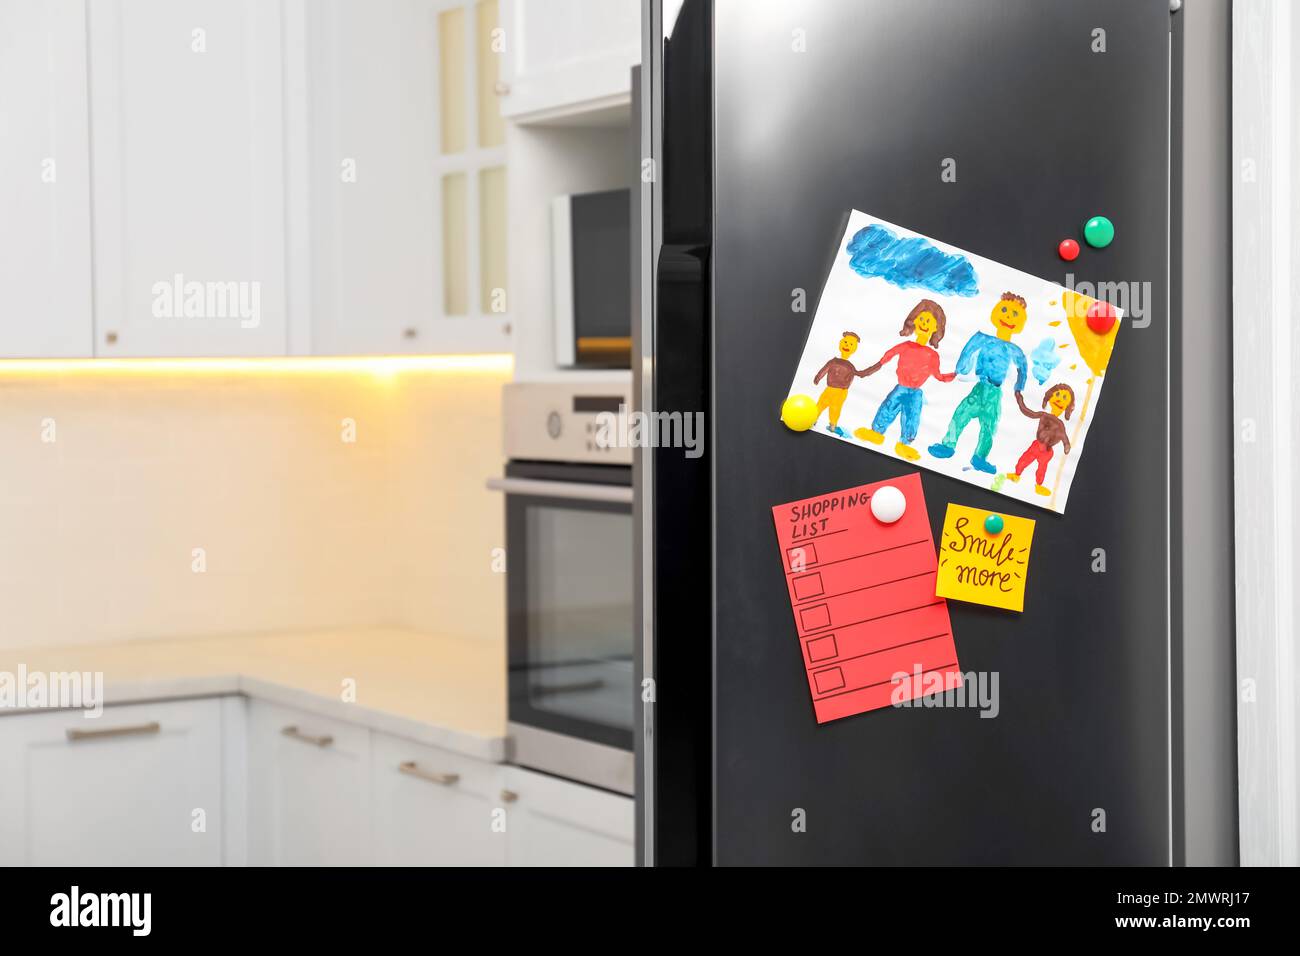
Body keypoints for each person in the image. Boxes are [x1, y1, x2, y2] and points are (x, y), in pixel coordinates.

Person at [927, 292, 1030, 474]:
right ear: (995, 313)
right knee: (961, 413)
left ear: (1021, 323)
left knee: (989, 426)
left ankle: (980, 457)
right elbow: (968, 350)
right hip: (980, 388)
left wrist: (1018, 389)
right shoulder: (982, 338)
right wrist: (960, 370)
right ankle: (948, 445)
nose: (1007, 316)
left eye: (1014, 315)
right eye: (1004, 310)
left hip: (994, 393)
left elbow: (1023, 367)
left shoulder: (1015, 350)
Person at [855, 299, 956, 461]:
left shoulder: (932, 355)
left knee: (912, 418)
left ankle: (904, 445)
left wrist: (950, 377)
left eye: (928, 321)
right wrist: (867, 371)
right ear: (914, 320)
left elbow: (937, 375)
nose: (923, 323)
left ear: (936, 327)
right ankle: (875, 433)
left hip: (915, 393)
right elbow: (885, 358)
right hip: (900, 388)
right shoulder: (906, 345)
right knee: (887, 409)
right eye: (921, 319)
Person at [1007, 383, 1075, 496]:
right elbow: (1027, 411)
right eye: (1057, 394)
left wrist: (1066, 446)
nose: (1059, 399)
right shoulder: (1043, 415)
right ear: (1050, 396)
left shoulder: (1060, 425)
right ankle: (1016, 474)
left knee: (1042, 468)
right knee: (1024, 459)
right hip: (1036, 445)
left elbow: (1064, 437)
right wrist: (1019, 399)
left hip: (1047, 451)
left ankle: (1039, 485)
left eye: (1064, 398)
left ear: (1067, 406)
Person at [812, 331, 871, 437]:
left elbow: (860, 374)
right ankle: (813, 419)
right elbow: (824, 370)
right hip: (829, 389)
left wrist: (871, 369)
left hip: (841, 392)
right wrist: (818, 377)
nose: (847, 345)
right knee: (821, 404)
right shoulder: (833, 361)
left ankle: (833, 425)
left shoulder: (850, 366)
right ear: (841, 343)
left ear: (854, 348)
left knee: (835, 408)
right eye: (845, 342)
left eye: (851, 344)